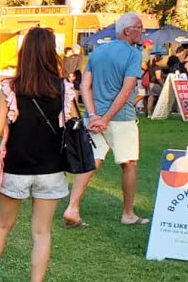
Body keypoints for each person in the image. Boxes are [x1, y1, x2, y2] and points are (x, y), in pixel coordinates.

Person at [0, 27, 78, 282]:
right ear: (51, 53)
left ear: (24, 53)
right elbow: (70, 124)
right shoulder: (62, 87)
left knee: (2, 225)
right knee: (42, 232)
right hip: (51, 168)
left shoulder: (9, 85)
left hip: (16, 168)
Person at [63, 12, 149, 228]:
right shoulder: (133, 54)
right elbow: (127, 89)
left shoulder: (98, 51)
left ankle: (72, 207)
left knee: (91, 162)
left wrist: (93, 115)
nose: (143, 31)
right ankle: (128, 213)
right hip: (121, 118)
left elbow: (84, 85)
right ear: (128, 31)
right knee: (129, 163)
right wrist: (107, 118)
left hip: (94, 117)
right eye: (140, 27)